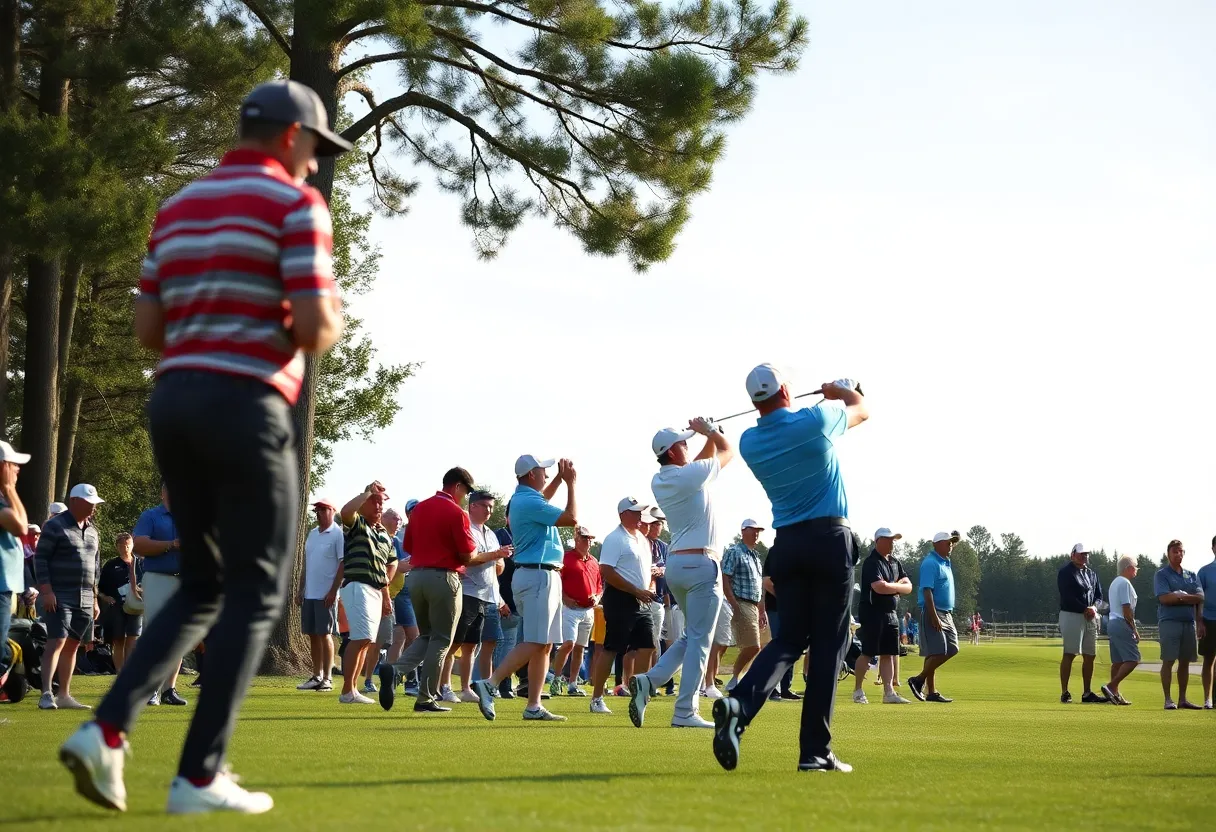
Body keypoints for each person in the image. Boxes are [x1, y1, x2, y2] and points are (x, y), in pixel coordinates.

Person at [59, 80, 349, 815]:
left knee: (205, 585)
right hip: (247, 401)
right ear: (290, 137)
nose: (314, 165)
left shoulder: (180, 205)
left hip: (174, 400)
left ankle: (108, 730)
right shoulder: (295, 204)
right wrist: (324, 311)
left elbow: (150, 328)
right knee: (256, 592)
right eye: (314, 148)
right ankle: (197, 774)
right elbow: (315, 327)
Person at [711, 368, 867, 774]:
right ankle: (815, 752)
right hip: (829, 541)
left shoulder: (749, 441)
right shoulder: (814, 420)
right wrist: (842, 390)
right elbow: (861, 410)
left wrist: (835, 396)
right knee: (829, 647)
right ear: (784, 390)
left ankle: (739, 704)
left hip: (788, 547)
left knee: (790, 639)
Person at [630, 418, 733, 730]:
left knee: (692, 635)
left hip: (678, 565)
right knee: (702, 639)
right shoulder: (688, 475)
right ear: (673, 452)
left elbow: (703, 461)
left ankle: (649, 681)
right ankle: (685, 711)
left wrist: (706, 434)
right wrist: (711, 432)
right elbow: (728, 452)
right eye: (683, 443)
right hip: (701, 564)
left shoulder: (664, 478)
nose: (688, 446)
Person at [472, 456, 578, 722]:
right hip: (537, 574)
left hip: (541, 574)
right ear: (531, 474)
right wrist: (571, 484)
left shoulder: (526, 498)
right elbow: (571, 518)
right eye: (543, 471)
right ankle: (491, 682)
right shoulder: (528, 501)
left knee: (545, 644)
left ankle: (533, 705)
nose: (546, 474)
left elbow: (544, 497)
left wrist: (558, 480)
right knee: (535, 641)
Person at [380, 468, 478, 713]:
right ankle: (425, 698)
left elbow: (410, 545)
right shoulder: (457, 512)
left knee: (426, 636)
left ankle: (396, 670)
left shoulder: (420, 508)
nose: (464, 497)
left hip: (417, 578)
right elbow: (467, 555)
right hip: (444, 578)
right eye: (465, 491)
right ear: (456, 487)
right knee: (442, 640)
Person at [34, 484, 105, 712]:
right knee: (57, 641)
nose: (94, 506)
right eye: (89, 502)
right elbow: (41, 559)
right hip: (58, 594)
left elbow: (95, 567)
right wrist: (46, 591)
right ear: (75, 501)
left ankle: (64, 695)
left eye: (94, 502)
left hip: (85, 596)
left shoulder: (93, 531)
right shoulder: (54, 526)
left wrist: (94, 599)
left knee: (73, 645)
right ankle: (46, 693)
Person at [588, 497, 657, 715]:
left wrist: (646, 588)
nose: (639, 516)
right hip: (619, 599)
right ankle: (597, 697)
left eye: (639, 512)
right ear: (623, 514)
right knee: (612, 648)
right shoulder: (615, 538)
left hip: (642, 599)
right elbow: (606, 571)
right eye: (635, 512)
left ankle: (638, 694)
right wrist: (636, 590)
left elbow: (646, 571)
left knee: (647, 646)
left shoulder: (642, 539)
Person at [443, 490, 510, 703]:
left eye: (491, 506)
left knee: (475, 644)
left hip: (488, 595)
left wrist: (499, 562)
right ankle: (444, 687)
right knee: (455, 643)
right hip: (467, 592)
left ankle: (468, 687)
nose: (489, 510)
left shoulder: (490, 533)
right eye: (485, 506)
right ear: (473, 506)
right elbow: (467, 560)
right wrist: (496, 555)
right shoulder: (465, 528)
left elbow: (496, 568)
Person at [336, 483, 397, 704]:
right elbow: (345, 512)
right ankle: (346, 691)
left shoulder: (384, 535)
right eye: (375, 501)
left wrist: (386, 593)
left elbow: (391, 562)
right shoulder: (357, 523)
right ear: (363, 503)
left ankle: (352, 688)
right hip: (357, 585)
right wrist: (367, 492)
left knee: (366, 641)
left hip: (375, 590)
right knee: (360, 637)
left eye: (382, 502)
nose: (379, 506)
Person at [131, 484, 188, 706]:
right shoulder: (151, 516)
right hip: (158, 578)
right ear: (163, 491)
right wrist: (171, 545)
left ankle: (168, 690)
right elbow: (138, 545)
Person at [853, 528, 912, 705]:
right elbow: (879, 587)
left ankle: (889, 692)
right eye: (888, 540)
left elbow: (908, 586)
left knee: (888, 653)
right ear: (877, 541)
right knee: (868, 652)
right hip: (873, 613)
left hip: (891, 614)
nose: (891, 543)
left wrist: (892, 586)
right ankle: (857, 690)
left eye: (893, 540)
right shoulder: (872, 562)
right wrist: (896, 586)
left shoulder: (894, 562)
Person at [296, 498, 344, 693]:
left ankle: (327, 677)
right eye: (317, 510)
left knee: (325, 634)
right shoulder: (313, 534)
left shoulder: (338, 534)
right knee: (313, 635)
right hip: (310, 593)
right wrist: (301, 588)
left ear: (333, 511)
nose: (319, 513)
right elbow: (307, 564)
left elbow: (342, 564)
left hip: (327, 594)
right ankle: (316, 676)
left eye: (324, 509)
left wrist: (333, 591)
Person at [907, 532, 959, 705]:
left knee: (951, 648)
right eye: (947, 543)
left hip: (946, 612)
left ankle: (926, 687)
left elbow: (951, 545)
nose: (950, 546)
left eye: (951, 543)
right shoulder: (930, 563)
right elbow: (926, 590)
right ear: (937, 544)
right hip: (933, 611)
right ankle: (922, 683)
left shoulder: (944, 560)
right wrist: (933, 615)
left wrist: (955, 539)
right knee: (939, 651)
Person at [1153, 540, 1205, 710]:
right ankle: (1168, 699)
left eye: (1181, 552)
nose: (1178, 555)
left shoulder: (1191, 575)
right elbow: (1164, 598)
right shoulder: (1162, 575)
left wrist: (1180, 596)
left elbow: (1200, 598)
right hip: (1169, 622)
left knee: (1185, 662)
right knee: (1168, 660)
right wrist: (1184, 598)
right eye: (1175, 552)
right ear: (1168, 553)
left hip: (1188, 623)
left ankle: (1183, 699)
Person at [720, 519, 768, 692]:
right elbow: (725, 577)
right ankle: (734, 679)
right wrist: (733, 603)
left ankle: (738, 679)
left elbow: (759, 586)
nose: (756, 534)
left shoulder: (755, 556)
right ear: (743, 531)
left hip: (754, 605)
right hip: (741, 601)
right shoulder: (734, 552)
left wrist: (762, 610)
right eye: (753, 530)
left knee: (756, 646)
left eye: (758, 531)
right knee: (753, 645)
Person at [552, 526, 600, 697]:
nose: (588, 541)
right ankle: (557, 679)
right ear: (577, 539)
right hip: (570, 608)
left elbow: (599, 585)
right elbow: (557, 579)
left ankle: (573, 683)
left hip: (588, 610)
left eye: (590, 538)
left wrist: (597, 597)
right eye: (585, 538)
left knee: (580, 648)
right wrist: (564, 597)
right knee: (568, 644)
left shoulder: (594, 561)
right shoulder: (566, 558)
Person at [1057, 543, 1108, 704]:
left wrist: (1093, 608)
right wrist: (1084, 608)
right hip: (1072, 615)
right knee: (1070, 653)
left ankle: (1087, 693)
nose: (1084, 557)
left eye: (1086, 554)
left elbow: (1099, 596)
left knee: (1090, 655)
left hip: (1090, 616)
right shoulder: (1066, 573)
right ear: (1072, 555)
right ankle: (1065, 692)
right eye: (1080, 554)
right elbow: (1067, 596)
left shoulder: (1092, 574)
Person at [0, 441, 30, 692]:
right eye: (12, 465)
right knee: (1, 651)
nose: (17, 469)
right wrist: (9, 488)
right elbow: (21, 526)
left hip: (5, 586)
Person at [98, 534, 143, 672]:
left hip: (136, 606)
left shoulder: (141, 563)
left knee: (133, 639)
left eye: (128, 544)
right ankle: (120, 673)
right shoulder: (111, 565)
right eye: (122, 545)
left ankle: (130, 672)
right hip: (117, 607)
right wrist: (106, 598)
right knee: (118, 640)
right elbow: (99, 589)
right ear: (117, 547)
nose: (126, 548)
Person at [1103, 555, 1140, 706]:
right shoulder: (1125, 583)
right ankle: (1112, 686)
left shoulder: (1114, 583)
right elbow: (1126, 608)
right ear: (1129, 568)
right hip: (1121, 622)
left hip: (1112, 623)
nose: (1136, 570)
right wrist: (1134, 629)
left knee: (1117, 661)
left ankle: (1115, 694)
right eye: (1135, 567)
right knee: (1133, 659)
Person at [1200, 537, 1216, 709]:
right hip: (1209, 620)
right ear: (1213, 548)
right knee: (1208, 660)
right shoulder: (1204, 572)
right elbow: (1199, 599)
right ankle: (1208, 699)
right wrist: (1200, 621)